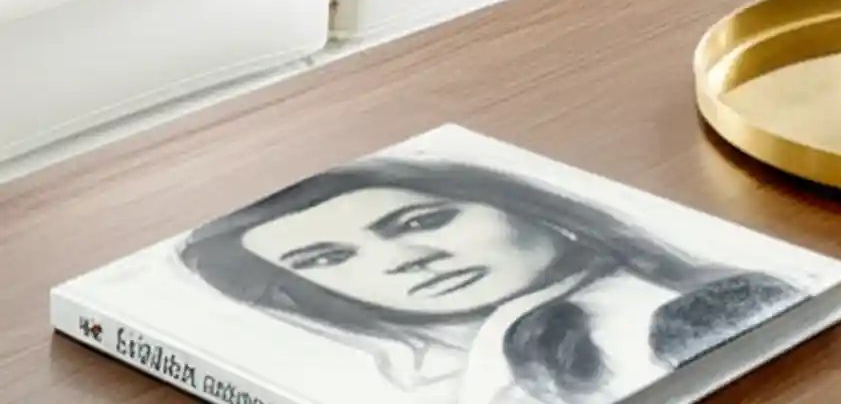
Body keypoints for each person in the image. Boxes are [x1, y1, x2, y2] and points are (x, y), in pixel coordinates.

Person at [179, 158, 803, 403]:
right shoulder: (503, 348)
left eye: (424, 220)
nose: (405, 260)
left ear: (523, 206)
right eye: (325, 261)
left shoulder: (660, 313)